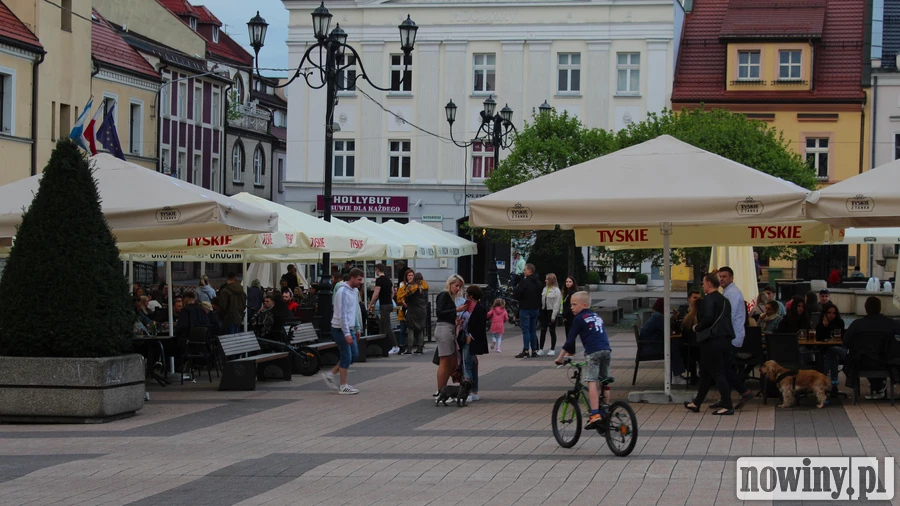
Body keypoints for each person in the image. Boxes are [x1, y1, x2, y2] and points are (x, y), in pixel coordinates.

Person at [555, 291, 612, 430]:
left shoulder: (579, 319)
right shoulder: (596, 316)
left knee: (591, 381)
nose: (572, 308)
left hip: (593, 352)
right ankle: (605, 410)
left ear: (584, 305)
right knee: (604, 381)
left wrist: (560, 358)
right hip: (606, 350)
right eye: (570, 305)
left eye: (574, 304)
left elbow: (570, 341)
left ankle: (594, 415)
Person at [685, 273, 737, 416]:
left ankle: (727, 404)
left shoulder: (709, 299)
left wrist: (697, 327)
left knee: (718, 372)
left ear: (708, 283)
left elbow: (708, 318)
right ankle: (697, 402)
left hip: (712, 341)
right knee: (706, 373)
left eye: (703, 282)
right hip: (725, 340)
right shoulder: (724, 300)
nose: (702, 286)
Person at [842, 296, 900, 400]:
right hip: (885, 362)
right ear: (880, 308)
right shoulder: (890, 323)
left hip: (862, 362)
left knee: (855, 358)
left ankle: (878, 386)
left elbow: (846, 341)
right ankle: (880, 385)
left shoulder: (857, 324)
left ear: (866, 308)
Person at [321, 268, 365, 395]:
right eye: (359, 279)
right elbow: (342, 314)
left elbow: (355, 310)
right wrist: (346, 333)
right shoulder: (342, 292)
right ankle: (343, 385)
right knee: (346, 356)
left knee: (354, 355)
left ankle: (331, 374)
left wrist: (357, 328)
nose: (360, 282)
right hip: (340, 328)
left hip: (349, 328)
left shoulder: (355, 291)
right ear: (352, 278)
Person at [717, 267, 753, 409]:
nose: (721, 279)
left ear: (731, 278)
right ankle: (726, 397)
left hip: (732, 336)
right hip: (734, 334)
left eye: (725, 276)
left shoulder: (731, 293)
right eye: (720, 276)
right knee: (723, 368)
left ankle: (743, 391)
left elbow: (728, 316)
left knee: (724, 368)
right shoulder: (729, 292)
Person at [640, 298, 687, 384]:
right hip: (651, 347)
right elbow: (667, 332)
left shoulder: (656, 315)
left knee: (675, 344)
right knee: (674, 346)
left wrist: (672, 319)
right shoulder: (658, 317)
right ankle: (677, 376)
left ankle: (678, 374)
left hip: (648, 345)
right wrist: (673, 319)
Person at [434, 274, 466, 396]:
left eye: (460, 287)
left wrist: (456, 318)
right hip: (444, 329)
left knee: (451, 361)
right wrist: (456, 310)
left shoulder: (450, 297)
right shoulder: (444, 295)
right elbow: (439, 312)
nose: (458, 289)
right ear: (450, 284)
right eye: (456, 286)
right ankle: (441, 391)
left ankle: (443, 390)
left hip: (448, 328)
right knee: (445, 360)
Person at [461, 285, 489, 402]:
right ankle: (474, 391)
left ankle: (468, 392)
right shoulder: (467, 307)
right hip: (469, 337)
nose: (466, 295)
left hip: (472, 339)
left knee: (467, 365)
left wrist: (470, 336)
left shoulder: (479, 308)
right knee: (472, 365)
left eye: (467, 293)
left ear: (471, 295)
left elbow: (481, 326)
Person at [368, 263, 400, 355]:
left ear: (378, 270)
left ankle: (395, 346)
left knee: (387, 326)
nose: (375, 272)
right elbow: (392, 293)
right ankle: (383, 346)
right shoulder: (388, 280)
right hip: (389, 304)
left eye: (376, 270)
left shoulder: (379, 280)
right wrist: (389, 298)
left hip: (384, 305)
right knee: (382, 324)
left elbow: (376, 294)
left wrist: (370, 304)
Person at [513, 263, 542, 358]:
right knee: (533, 330)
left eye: (525, 269)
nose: (523, 271)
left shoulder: (524, 282)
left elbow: (517, 295)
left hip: (525, 308)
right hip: (535, 308)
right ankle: (534, 350)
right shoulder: (538, 282)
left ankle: (526, 350)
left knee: (526, 330)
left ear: (530, 271)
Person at [397, 271, 428, 355]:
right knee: (420, 329)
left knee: (411, 328)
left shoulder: (412, 287)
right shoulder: (425, 287)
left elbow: (405, 296)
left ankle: (409, 349)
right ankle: (420, 349)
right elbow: (426, 300)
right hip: (422, 310)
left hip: (413, 309)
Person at [538, 273, 561, 356]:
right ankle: (541, 349)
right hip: (544, 310)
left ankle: (552, 349)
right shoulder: (545, 289)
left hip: (551, 311)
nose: (545, 281)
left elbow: (556, 304)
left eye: (547, 279)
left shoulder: (556, 291)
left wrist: (553, 316)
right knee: (543, 330)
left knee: (552, 330)